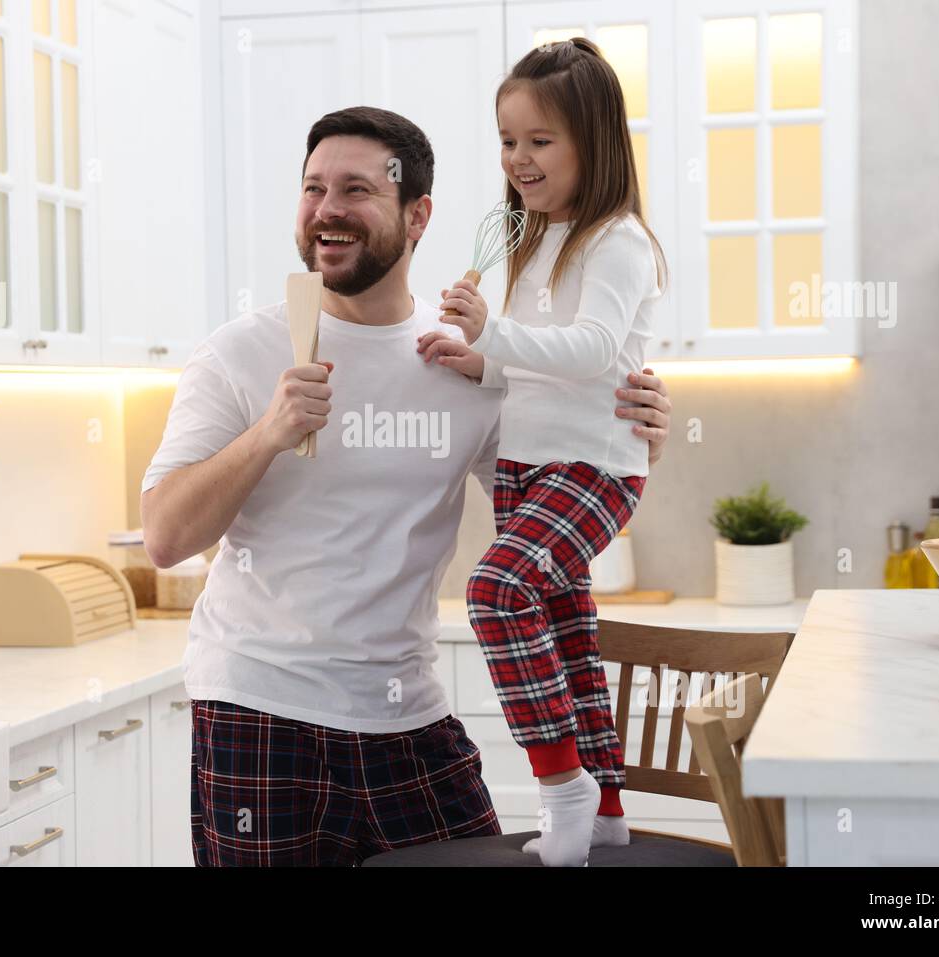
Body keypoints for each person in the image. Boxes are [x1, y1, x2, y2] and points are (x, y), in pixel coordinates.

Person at [141, 105, 673, 866]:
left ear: (417, 214)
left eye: (356, 190)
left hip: (409, 714)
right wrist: (269, 433)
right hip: (259, 710)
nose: (327, 209)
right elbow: (165, 537)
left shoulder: (463, 362)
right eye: (314, 188)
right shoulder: (238, 353)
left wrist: (633, 440)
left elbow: (552, 503)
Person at [416, 38, 666, 866]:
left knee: (496, 591)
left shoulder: (617, 240)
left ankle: (562, 788)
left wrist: (492, 330)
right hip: (527, 464)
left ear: (594, 142)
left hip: (594, 465)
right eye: (507, 140)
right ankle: (607, 812)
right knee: (565, 630)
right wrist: (478, 361)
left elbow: (592, 350)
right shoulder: (534, 236)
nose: (518, 158)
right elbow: (538, 365)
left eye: (540, 140)